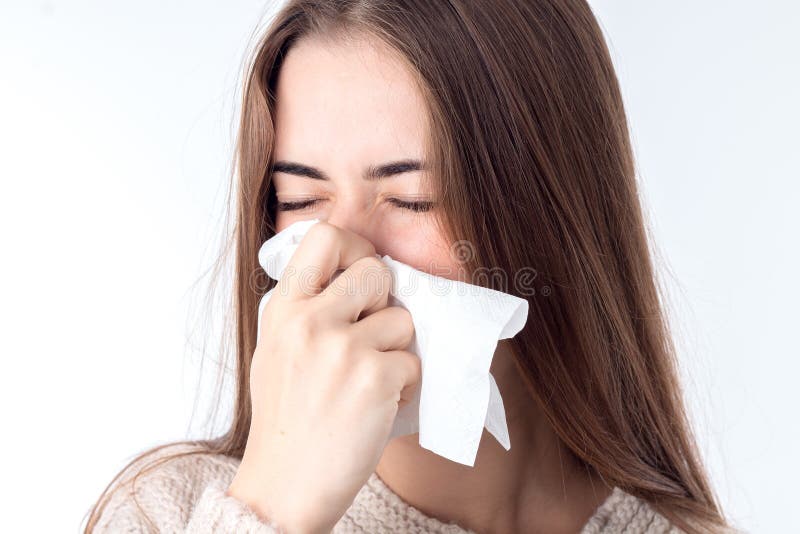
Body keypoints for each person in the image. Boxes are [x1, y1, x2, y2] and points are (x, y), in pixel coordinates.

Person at [83, 1, 736, 532]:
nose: (341, 254)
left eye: (412, 199)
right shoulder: (166, 515)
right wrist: (269, 511)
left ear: (554, 213)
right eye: (301, 201)